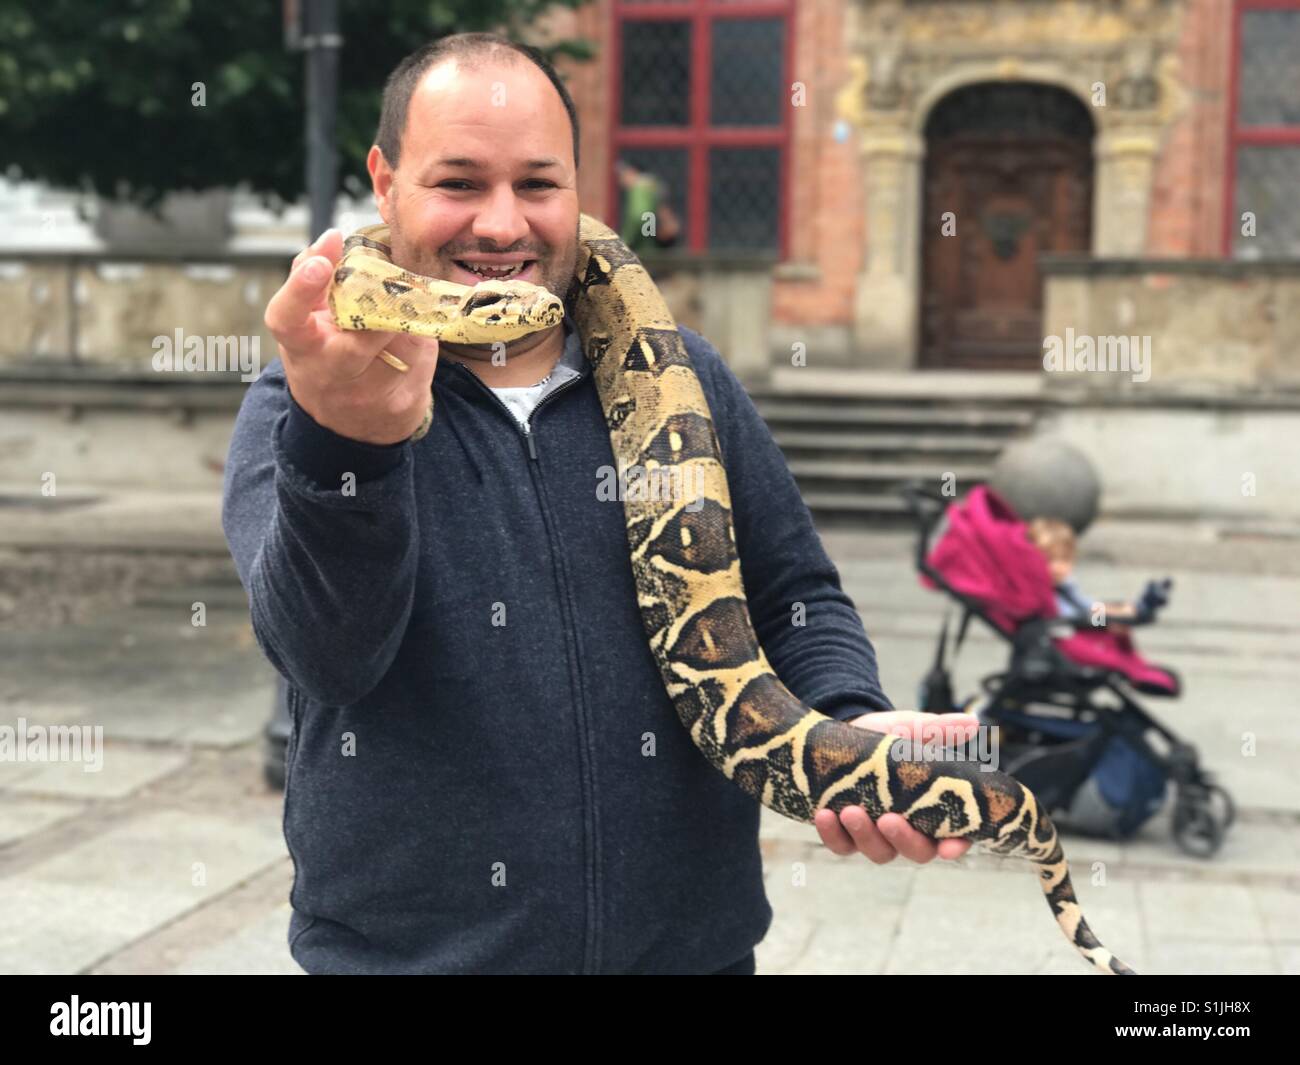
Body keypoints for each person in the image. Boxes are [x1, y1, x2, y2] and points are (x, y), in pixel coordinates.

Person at [223, 31, 975, 976]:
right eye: (458, 183)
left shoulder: (689, 377)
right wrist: (351, 446)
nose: (502, 227)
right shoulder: (297, 405)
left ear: (580, 189)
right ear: (384, 182)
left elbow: (797, 595)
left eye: (539, 185)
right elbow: (326, 658)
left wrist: (845, 719)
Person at [1025, 517, 1170, 627]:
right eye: (1049, 560)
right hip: (1076, 634)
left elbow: (1085, 604)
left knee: (1116, 610)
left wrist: (1120, 611)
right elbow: (1074, 617)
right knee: (1111, 617)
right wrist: (1108, 621)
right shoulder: (1045, 595)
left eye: (1064, 560)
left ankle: (1139, 606)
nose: (1057, 567)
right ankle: (1137, 608)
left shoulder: (1063, 586)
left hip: (1083, 621)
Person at [616, 160, 681, 256]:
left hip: (644, 248)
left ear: (632, 172)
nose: (620, 180)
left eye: (622, 175)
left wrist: (625, 241)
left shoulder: (639, 189)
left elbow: (639, 216)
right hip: (654, 244)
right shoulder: (653, 186)